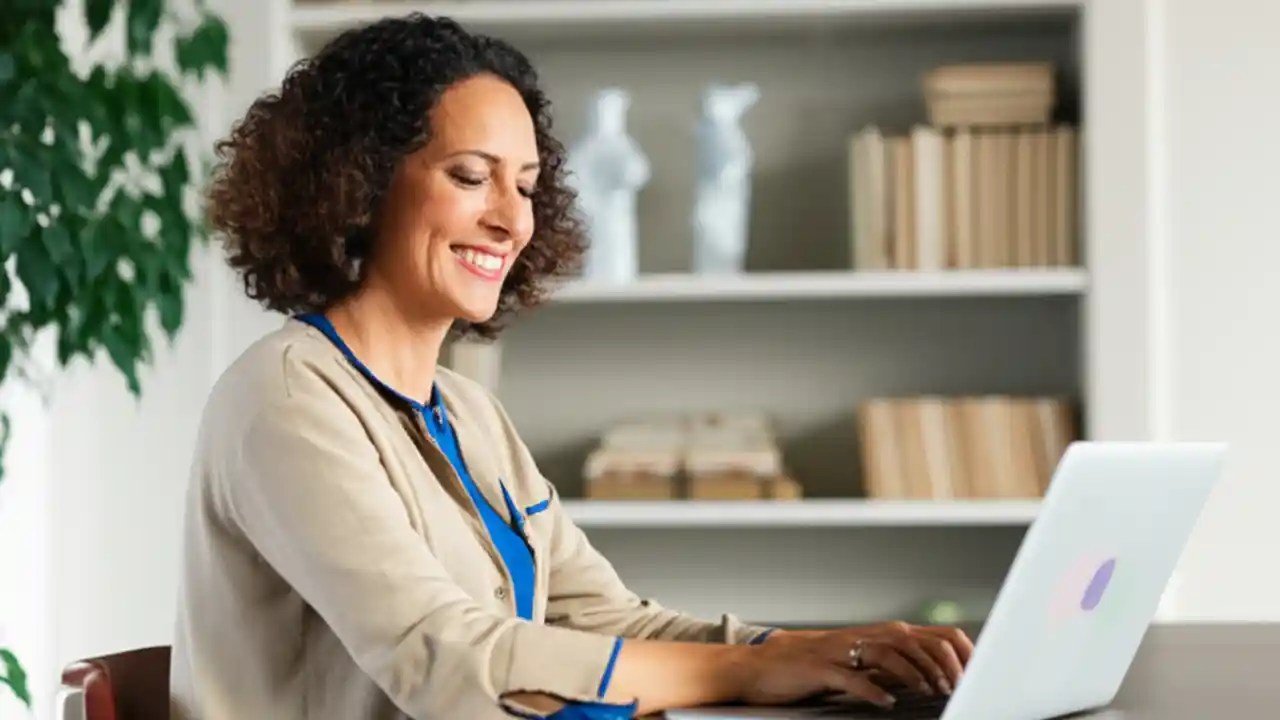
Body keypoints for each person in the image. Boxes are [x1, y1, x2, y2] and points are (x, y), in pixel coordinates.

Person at [169, 13, 973, 720]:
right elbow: (443, 663)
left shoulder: (466, 412)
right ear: (358, 184)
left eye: (525, 185)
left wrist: (820, 654)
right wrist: (748, 669)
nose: (510, 218)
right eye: (470, 176)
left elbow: (607, 621)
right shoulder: (284, 399)